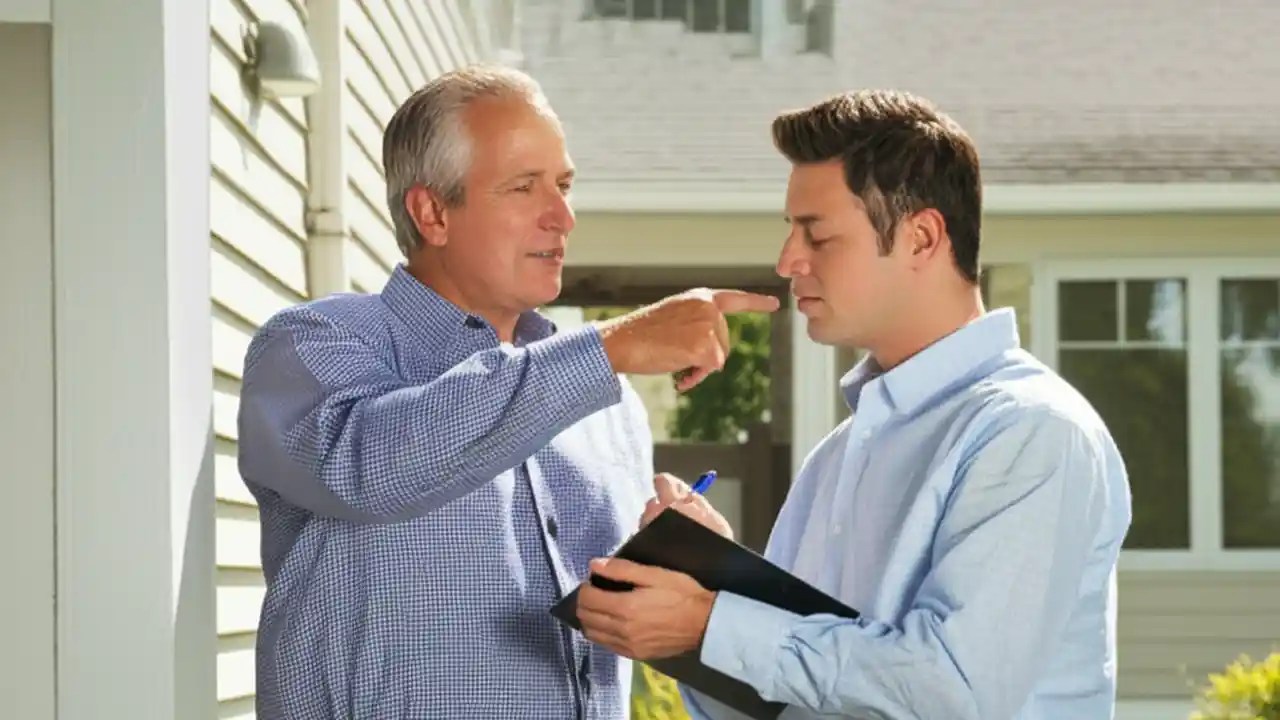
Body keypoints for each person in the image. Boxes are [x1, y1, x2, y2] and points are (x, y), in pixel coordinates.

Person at [236, 64, 779, 719]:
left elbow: (645, 648)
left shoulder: (611, 413)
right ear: (432, 212)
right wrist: (612, 348)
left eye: (565, 184)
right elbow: (374, 469)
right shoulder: (314, 348)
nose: (563, 217)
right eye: (525, 187)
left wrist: (695, 576)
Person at [574, 88, 1133, 720]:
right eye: (791, 232)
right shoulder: (840, 453)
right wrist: (714, 582)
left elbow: (954, 692)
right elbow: (781, 698)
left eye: (818, 235)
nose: (788, 261)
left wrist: (712, 623)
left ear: (922, 238)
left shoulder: (1031, 433)